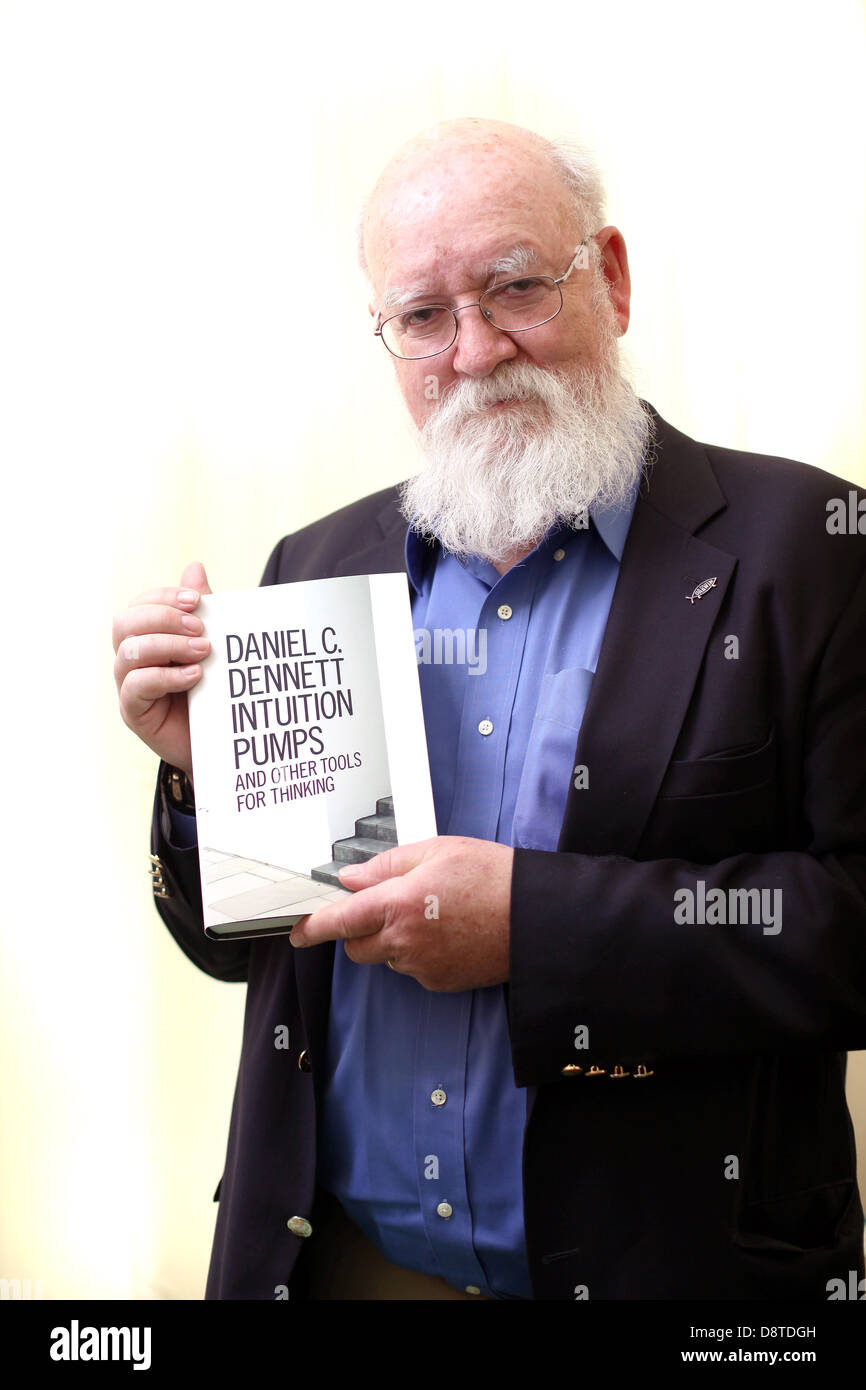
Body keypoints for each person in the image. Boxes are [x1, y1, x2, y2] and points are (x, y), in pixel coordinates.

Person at [113, 118, 866, 1301]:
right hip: (332, 1264)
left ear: (607, 277)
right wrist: (206, 779)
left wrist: (533, 927)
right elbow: (238, 948)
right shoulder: (313, 565)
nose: (472, 351)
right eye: (420, 316)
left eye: (513, 287)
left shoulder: (806, 547)